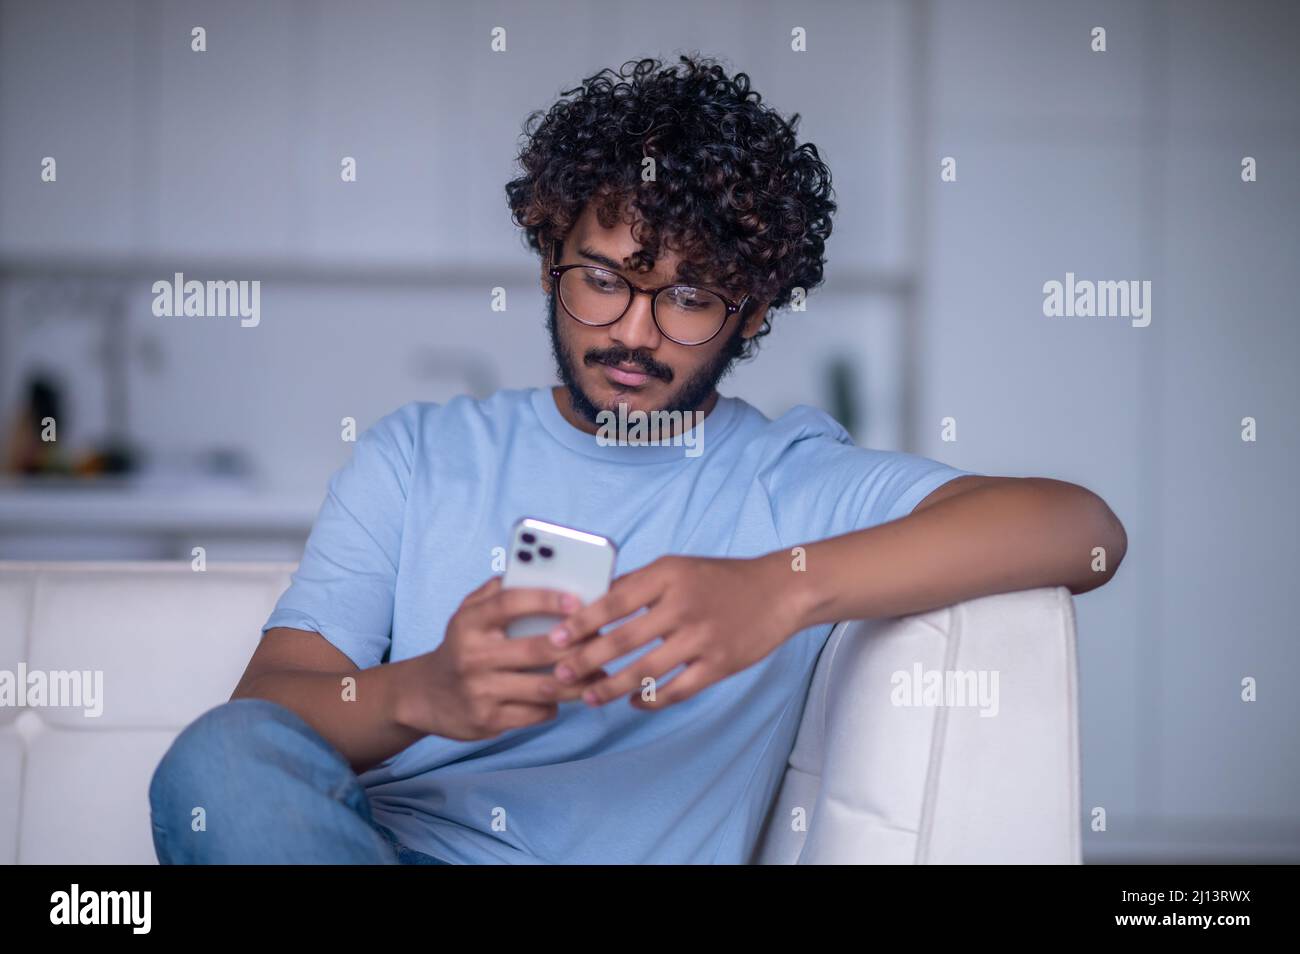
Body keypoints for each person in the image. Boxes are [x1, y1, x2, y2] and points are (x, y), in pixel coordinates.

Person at [148, 55, 1126, 865]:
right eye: (603, 279)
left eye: (689, 297)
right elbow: (259, 721)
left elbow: (1083, 530)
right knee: (218, 762)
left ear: (752, 311)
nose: (632, 332)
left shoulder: (787, 481)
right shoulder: (416, 455)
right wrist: (421, 692)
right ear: (549, 261)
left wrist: (777, 589)